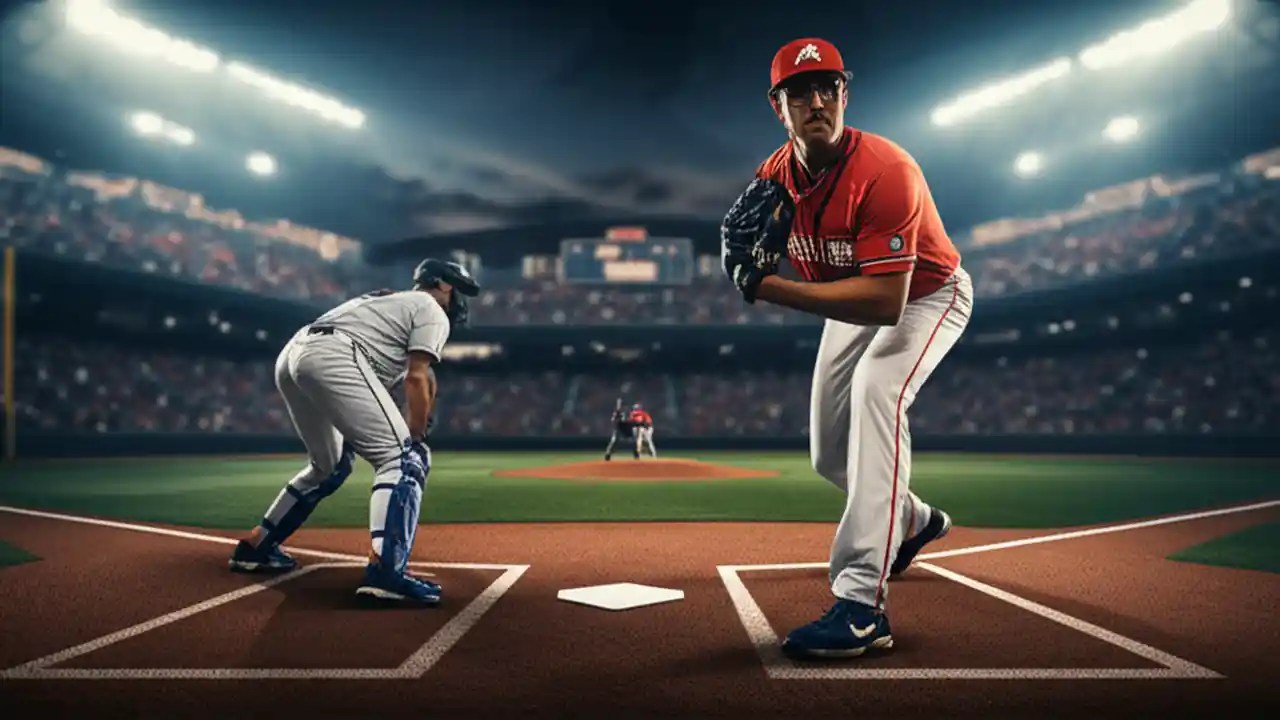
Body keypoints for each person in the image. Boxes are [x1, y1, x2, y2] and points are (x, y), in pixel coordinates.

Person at [719, 38, 973, 659]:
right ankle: (913, 519)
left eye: (828, 87)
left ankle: (863, 605)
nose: (817, 100)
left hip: (926, 297)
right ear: (778, 106)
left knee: (876, 393)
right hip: (851, 299)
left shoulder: (888, 172)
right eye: (801, 92)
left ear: (844, 95)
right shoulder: (772, 177)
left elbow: (887, 302)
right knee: (830, 455)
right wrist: (755, 266)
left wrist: (770, 287)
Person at [227, 258, 480, 606]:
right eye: (460, 292)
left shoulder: (388, 302)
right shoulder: (431, 309)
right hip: (335, 354)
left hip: (296, 353)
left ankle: (256, 547)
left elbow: (416, 377)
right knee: (405, 460)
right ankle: (386, 573)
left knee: (329, 466)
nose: (460, 303)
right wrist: (416, 433)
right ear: (445, 285)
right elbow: (417, 376)